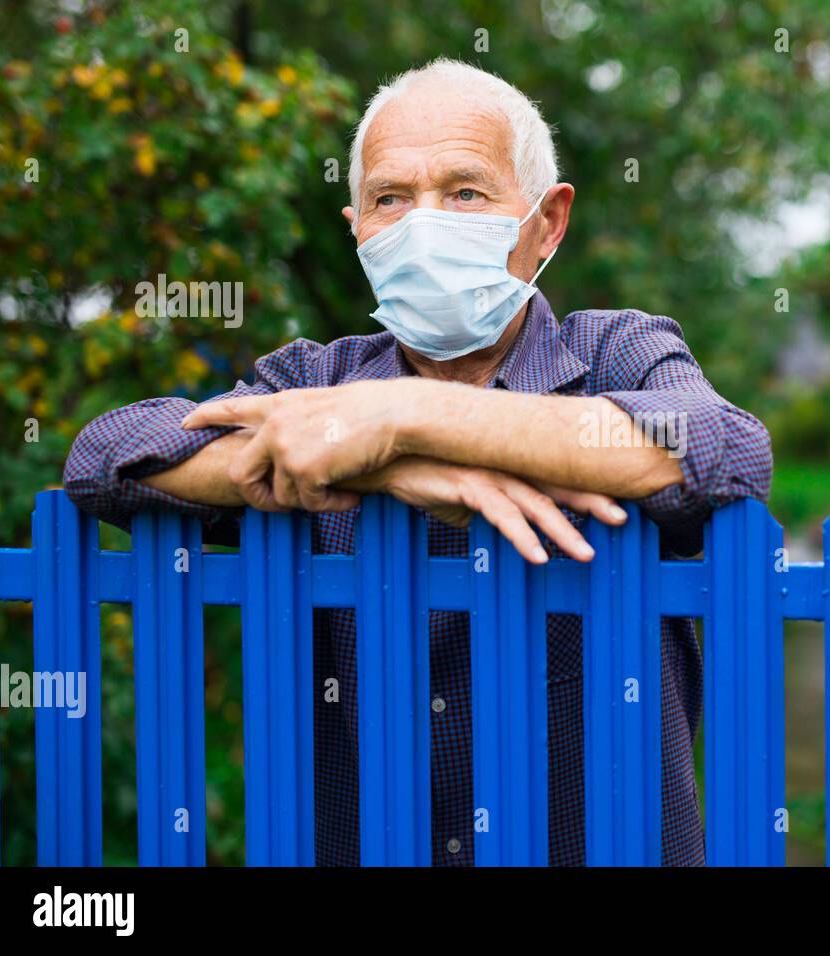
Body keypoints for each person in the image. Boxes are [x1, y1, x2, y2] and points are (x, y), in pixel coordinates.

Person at [64, 58, 772, 866]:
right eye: (390, 199)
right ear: (357, 227)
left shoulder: (615, 350)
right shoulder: (315, 381)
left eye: (465, 192)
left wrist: (403, 415)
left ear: (547, 222)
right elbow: (105, 457)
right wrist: (382, 463)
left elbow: (725, 450)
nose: (421, 225)